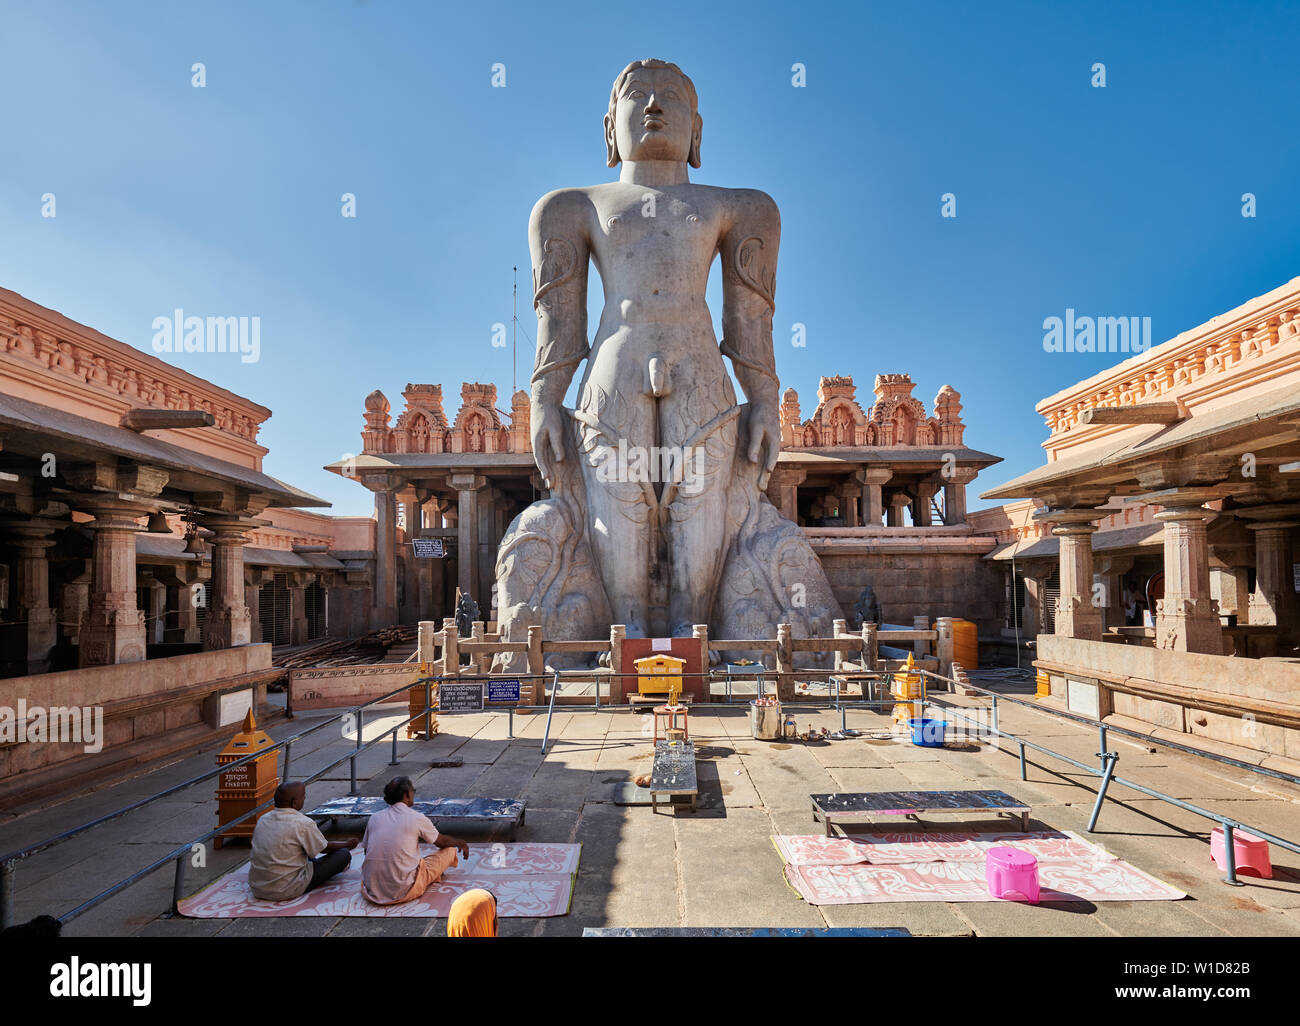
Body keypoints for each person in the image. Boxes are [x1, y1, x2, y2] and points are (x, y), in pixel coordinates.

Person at [359, 776, 470, 905]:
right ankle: (425, 878)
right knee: (450, 850)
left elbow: (367, 851)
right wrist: (460, 842)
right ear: (406, 794)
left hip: (372, 888)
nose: (413, 794)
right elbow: (442, 842)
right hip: (405, 889)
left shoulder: (374, 818)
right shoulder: (416, 818)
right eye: (413, 790)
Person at [248, 781, 356, 902]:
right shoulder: (303, 823)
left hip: (258, 887)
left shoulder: (263, 819)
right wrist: (347, 844)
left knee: (304, 850)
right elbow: (324, 848)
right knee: (343, 855)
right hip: (287, 889)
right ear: (294, 803)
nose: (304, 798)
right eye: (303, 796)